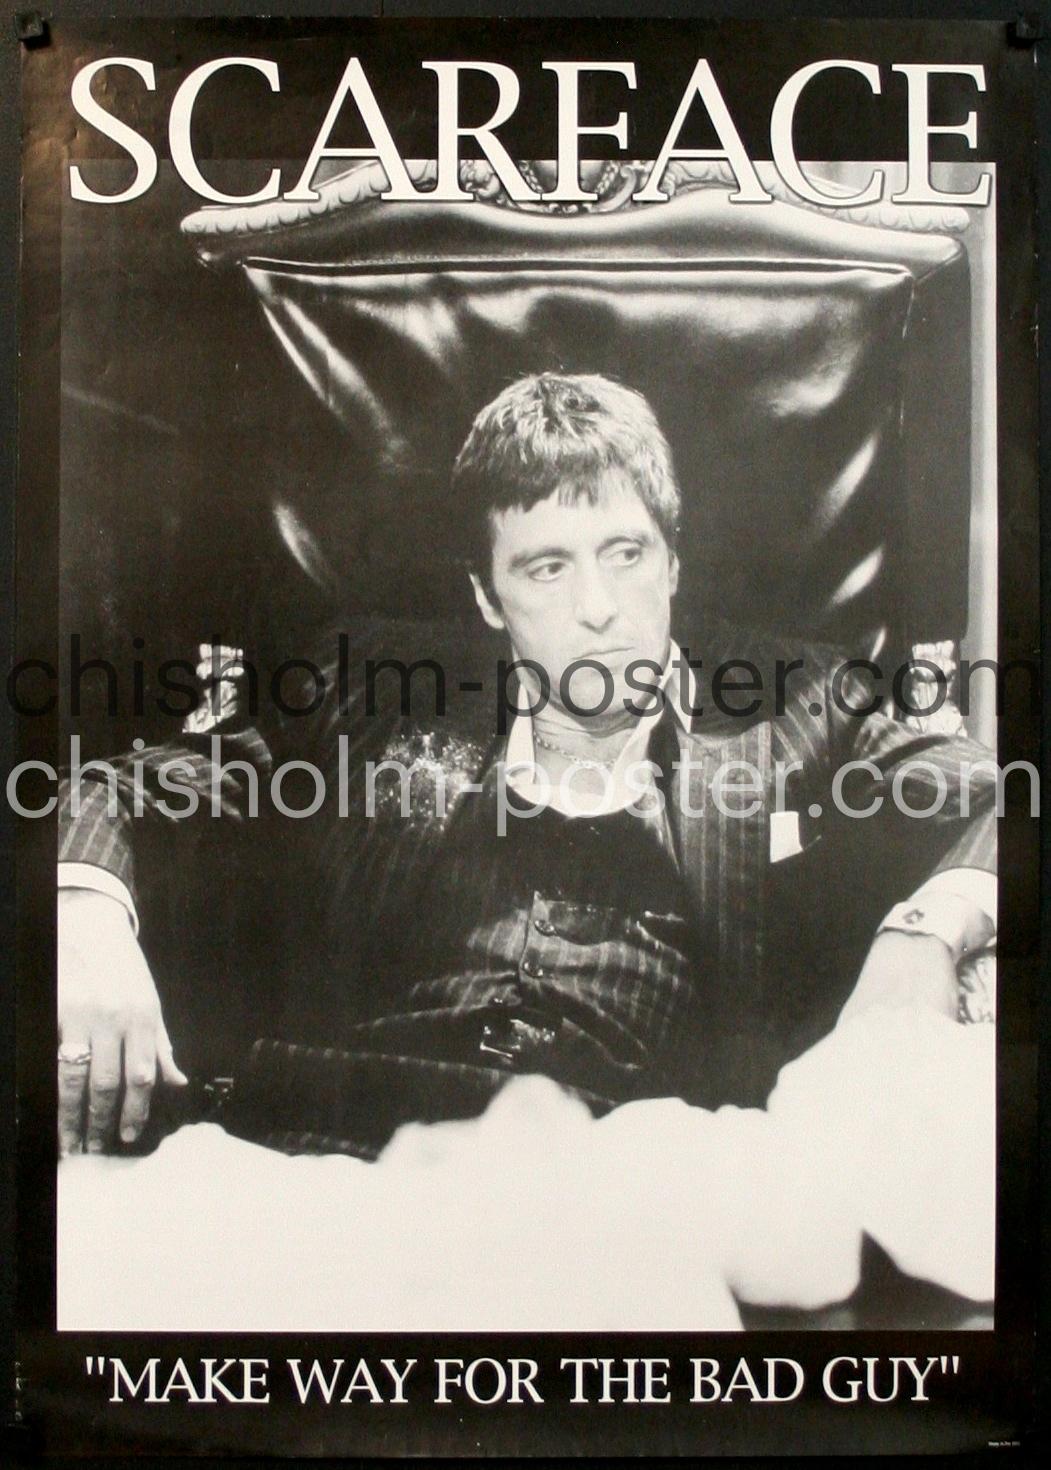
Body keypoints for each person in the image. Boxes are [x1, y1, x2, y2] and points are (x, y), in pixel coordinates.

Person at [57, 373, 997, 1159]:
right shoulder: (373, 686)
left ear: (672, 563)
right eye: (547, 568)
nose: (599, 607)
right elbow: (127, 790)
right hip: (336, 1152)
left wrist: (920, 934)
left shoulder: (800, 701)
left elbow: (1000, 801)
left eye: (625, 554)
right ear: (486, 597)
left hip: (634, 1174)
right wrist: (85, 923)